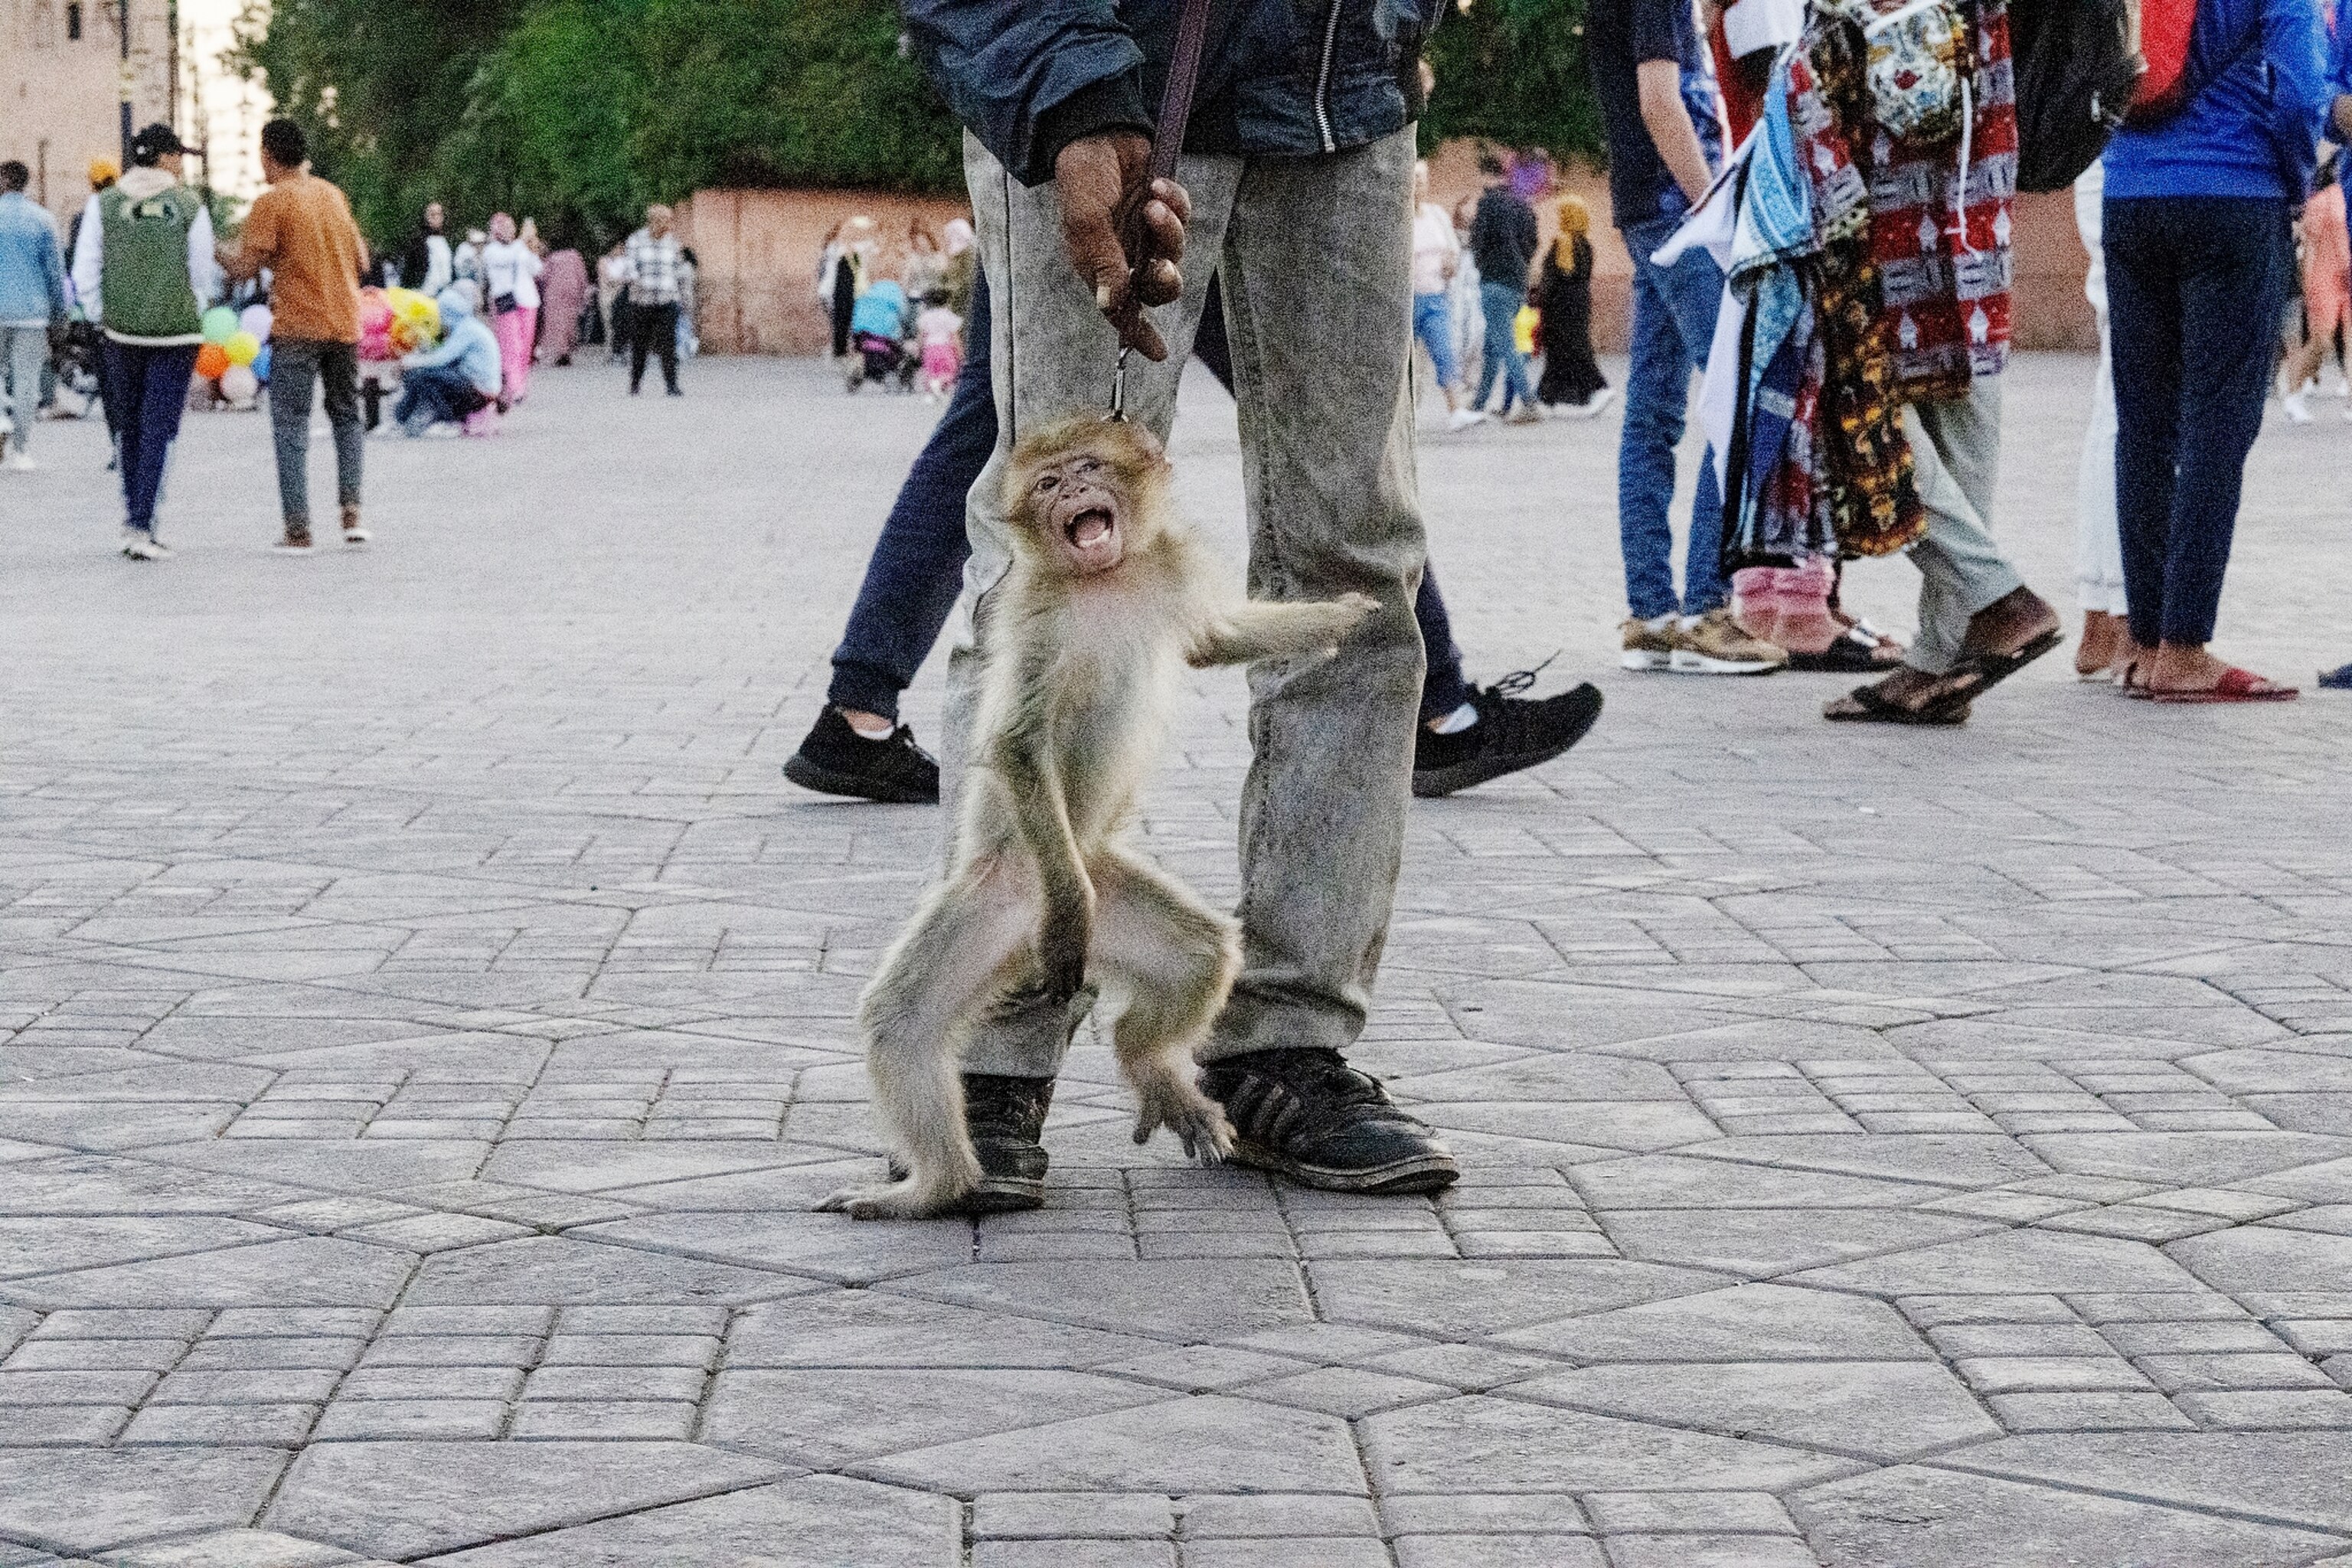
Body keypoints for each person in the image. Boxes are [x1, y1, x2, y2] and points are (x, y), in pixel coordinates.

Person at [880, 0, 1537, 1204]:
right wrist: (1070, 89)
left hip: (1344, 95)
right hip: (1111, 70)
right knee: (1048, 559)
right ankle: (1000, 1045)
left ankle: (1286, 1037)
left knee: (1358, 565)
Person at [2102, 0, 2329, 701]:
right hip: (2233, 194)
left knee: (2142, 424)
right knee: (2217, 426)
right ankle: (2184, 647)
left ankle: (2142, 641)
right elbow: (2300, 95)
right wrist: (2294, 185)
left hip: (2129, 194)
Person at [1589, 0, 1786, 675]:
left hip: (1652, 212)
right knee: (1738, 396)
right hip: (1680, 215)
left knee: (1652, 413)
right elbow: (1659, 101)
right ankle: (1707, 610)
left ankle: (1652, 615)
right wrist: (1715, 209)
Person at [220, 116, 371, 552]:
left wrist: (208, 246)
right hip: (345, 322)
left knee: (290, 424)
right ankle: (352, 512)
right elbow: (361, 259)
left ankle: (298, 528)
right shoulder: (333, 195)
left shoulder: (273, 202)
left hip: (298, 327)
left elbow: (245, 267)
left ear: (268, 154)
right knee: (347, 415)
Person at [70, 124, 218, 559]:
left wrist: (103, 314)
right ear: (167, 158)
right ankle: (143, 522)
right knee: (160, 429)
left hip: (120, 334)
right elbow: (201, 271)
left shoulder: (104, 204)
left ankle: (131, 517)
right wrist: (191, 305)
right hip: (176, 334)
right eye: (179, 156)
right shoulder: (189, 206)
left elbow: (85, 269)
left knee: (128, 427)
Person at [2073, 158, 2130, 679]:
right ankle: (2128, 614)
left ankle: (2102, 612)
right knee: (2138, 396)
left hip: (2107, 147)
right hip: (2156, 157)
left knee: (2116, 391)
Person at [0, 159, 69, 472]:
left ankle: (2, 420)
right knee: (26, 380)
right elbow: (55, 272)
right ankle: (21, 450)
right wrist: (59, 314)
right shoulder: (43, 220)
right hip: (31, 313)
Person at [1466, 152, 1540, 422]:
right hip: (1517, 281)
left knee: (1505, 344)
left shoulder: (1488, 203)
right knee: (1493, 345)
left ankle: (1529, 401)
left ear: (1486, 176)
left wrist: (1482, 263)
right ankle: (1478, 405)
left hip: (1494, 280)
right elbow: (1533, 242)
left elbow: (1478, 240)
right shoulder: (1521, 205)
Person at [1409, 161, 1477, 429]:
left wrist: (1451, 262)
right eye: (1414, 179)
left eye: (1423, 180)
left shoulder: (1436, 214)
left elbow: (1453, 249)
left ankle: (1456, 410)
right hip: (1408, 299)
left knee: (1444, 351)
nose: (1419, 185)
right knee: (1408, 364)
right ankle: (1407, 415)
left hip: (1436, 295)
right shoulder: (1399, 218)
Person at [2280, 161, 2350, 423]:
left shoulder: (2321, 201)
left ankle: (2297, 395)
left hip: (2325, 275)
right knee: (2322, 340)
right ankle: (2294, 393)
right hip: (2326, 276)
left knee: (2342, 340)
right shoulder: (2326, 202)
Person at [1533, 193, 1610, 415]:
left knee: (1567, 349)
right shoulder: (1586, 245)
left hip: (1560, 307)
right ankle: (1548, 395)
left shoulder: (1563, 242)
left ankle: (1598, 387)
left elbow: (1556, 276)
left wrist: (1540, 295)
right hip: (1579, 304)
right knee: (1568, 349)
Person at [391, 284, 501, 435]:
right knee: (424, 375)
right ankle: (402, 419)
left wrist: (411, 362)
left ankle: (445, 421)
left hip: (480, 388)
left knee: (423, 377)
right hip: (480, 385)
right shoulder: (468, 326)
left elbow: (441, 359)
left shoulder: (467, 330)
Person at [479, 213, 542, 406]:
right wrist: (522, 242)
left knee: (525, 347)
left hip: (527, 300)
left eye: (510, 226)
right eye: (503, 227)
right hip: (505, 300)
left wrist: (531, 250)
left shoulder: (520, 248)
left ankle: (520, 384)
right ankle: (514, 387)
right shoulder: (491, 250)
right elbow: (505, 259)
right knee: (511, 345)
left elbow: (537, 269)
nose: (508, 231)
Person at [622, 204, 683, 396]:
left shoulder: (673, 243)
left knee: (668, 344)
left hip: (667, 300)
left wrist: (681, 296)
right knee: (640, 344)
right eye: (666, 220)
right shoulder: (637, 240)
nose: (669, 224)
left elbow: (678, 270)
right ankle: (635, 383)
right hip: (642, 300)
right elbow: (630, 266)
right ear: (655, 220)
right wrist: (634, 280)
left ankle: (672, 385)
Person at [537, 240, 589, 367]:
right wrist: (582, 290)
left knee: (557, 324)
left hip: (554, 294)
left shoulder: (552, 258)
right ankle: (567, 351)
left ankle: (561, 353)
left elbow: (543, 275)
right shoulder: (575, 256)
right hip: (572, 293)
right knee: (569, 322)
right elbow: (582, 275)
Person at [913, 287, 963, 398]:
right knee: (948, 371)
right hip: (946, 349)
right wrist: (960, 354)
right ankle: (941, 387)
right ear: (947, 301)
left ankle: (934, 387)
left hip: (930, 349)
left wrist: (918, 350)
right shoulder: (949, 316)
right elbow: (955, 337)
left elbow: (921, 337)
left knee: (932, 372)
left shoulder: (925, 317)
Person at [400, 201, 453, 296]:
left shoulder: (447, 241)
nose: (436, 218)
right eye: (432, 214)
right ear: (425, 217)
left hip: (444, 293)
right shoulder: (418, 242)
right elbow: (410, 271)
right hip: (424, 293)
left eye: (439, 214)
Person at [598, 240, 632, 364]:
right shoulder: (604, 261)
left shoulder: (624, 261)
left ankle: (619, 352)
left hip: (621, 297)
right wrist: (623, 280)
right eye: (617, 248)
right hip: (607, 297)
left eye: (621, 249)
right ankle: (609, 353)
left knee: (621, 325)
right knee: (609, 325)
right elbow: (607, 278)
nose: (620, 251)